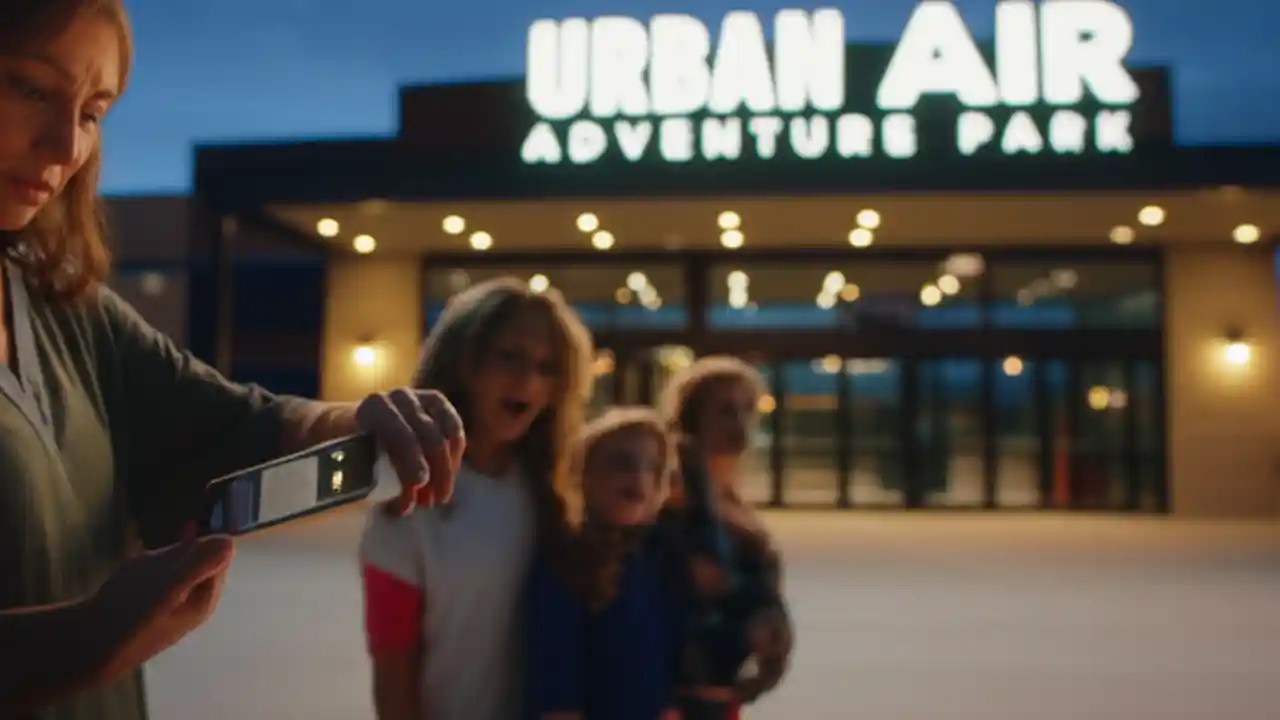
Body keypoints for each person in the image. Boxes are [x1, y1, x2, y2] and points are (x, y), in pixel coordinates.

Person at [0, 2, 465, 717]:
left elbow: (247, 423)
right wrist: (79, 639)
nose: (66, 145)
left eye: (93, 112)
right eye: (30, 88)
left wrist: (367, 422)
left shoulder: (60, 305)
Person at [358, 277, 594, 720]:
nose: (527, 380)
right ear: (465, 363)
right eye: (510, 357)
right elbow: (393, 672)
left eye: (546, 367)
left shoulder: (558, 493)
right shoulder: (408, 498)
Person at [526, 406, 683, 720]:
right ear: (583, 474)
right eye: (622, 462)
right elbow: (557, 681)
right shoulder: (568, 562)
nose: (639, 476)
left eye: (653, 468)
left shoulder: (654, 558)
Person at [658, 356, 794, 720]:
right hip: (680, 697)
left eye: (747, 411)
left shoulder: (730, 498)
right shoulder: (675, 499)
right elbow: (712, 581)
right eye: (725, 411)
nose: (739, 423)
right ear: (692, 419)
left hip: (721, 692)